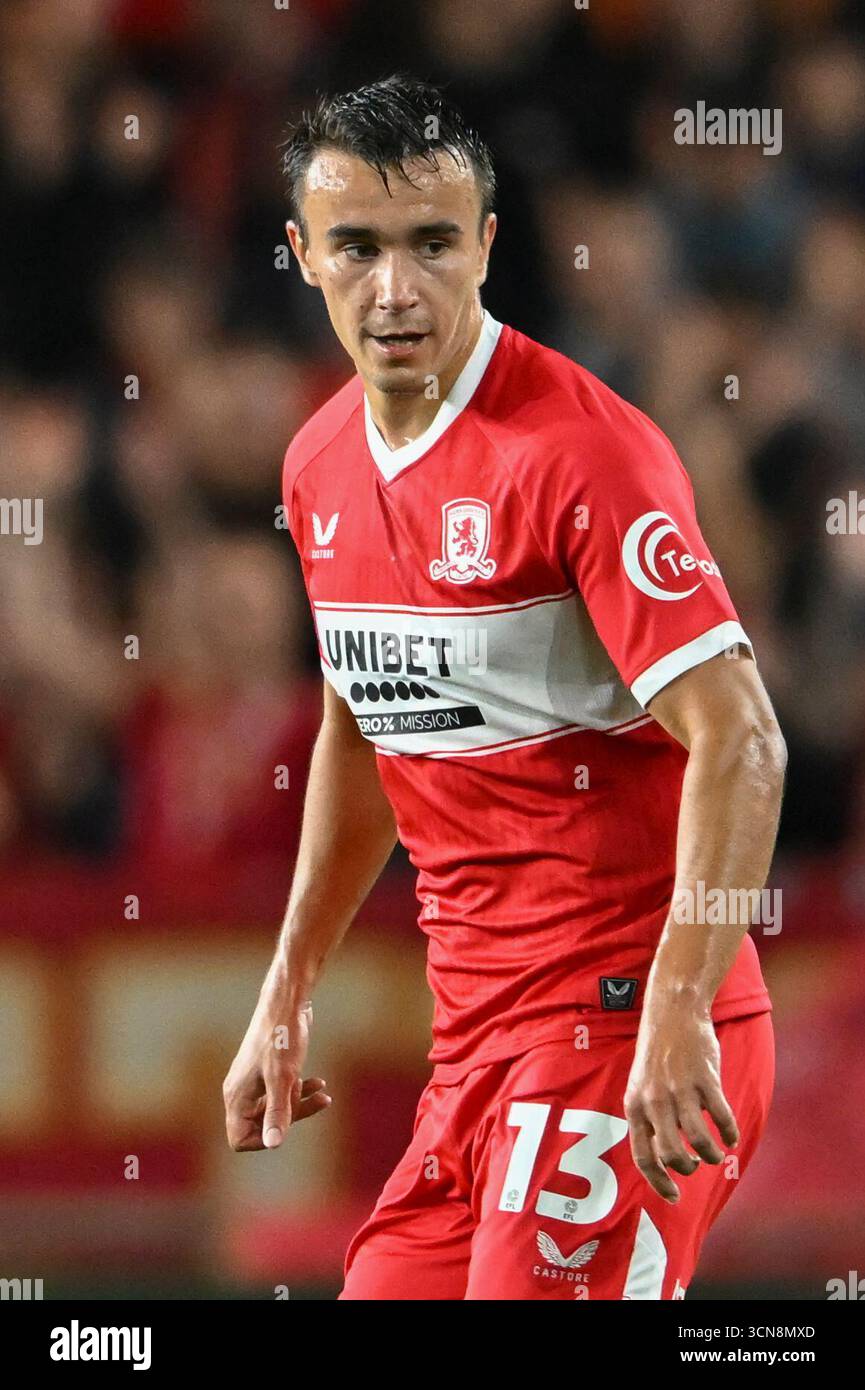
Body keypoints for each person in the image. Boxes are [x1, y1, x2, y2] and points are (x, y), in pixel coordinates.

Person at [222, 74, 786, 1301]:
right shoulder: (316, 463)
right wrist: (287, 987)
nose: (394, 288)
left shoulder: (583, 453)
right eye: (356, 248)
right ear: (300, 255)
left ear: (485, 243)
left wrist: (680, 1007)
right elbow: (363, 732)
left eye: (431, 243)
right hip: (473, 1047)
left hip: (624, 1025)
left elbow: (744, 740)